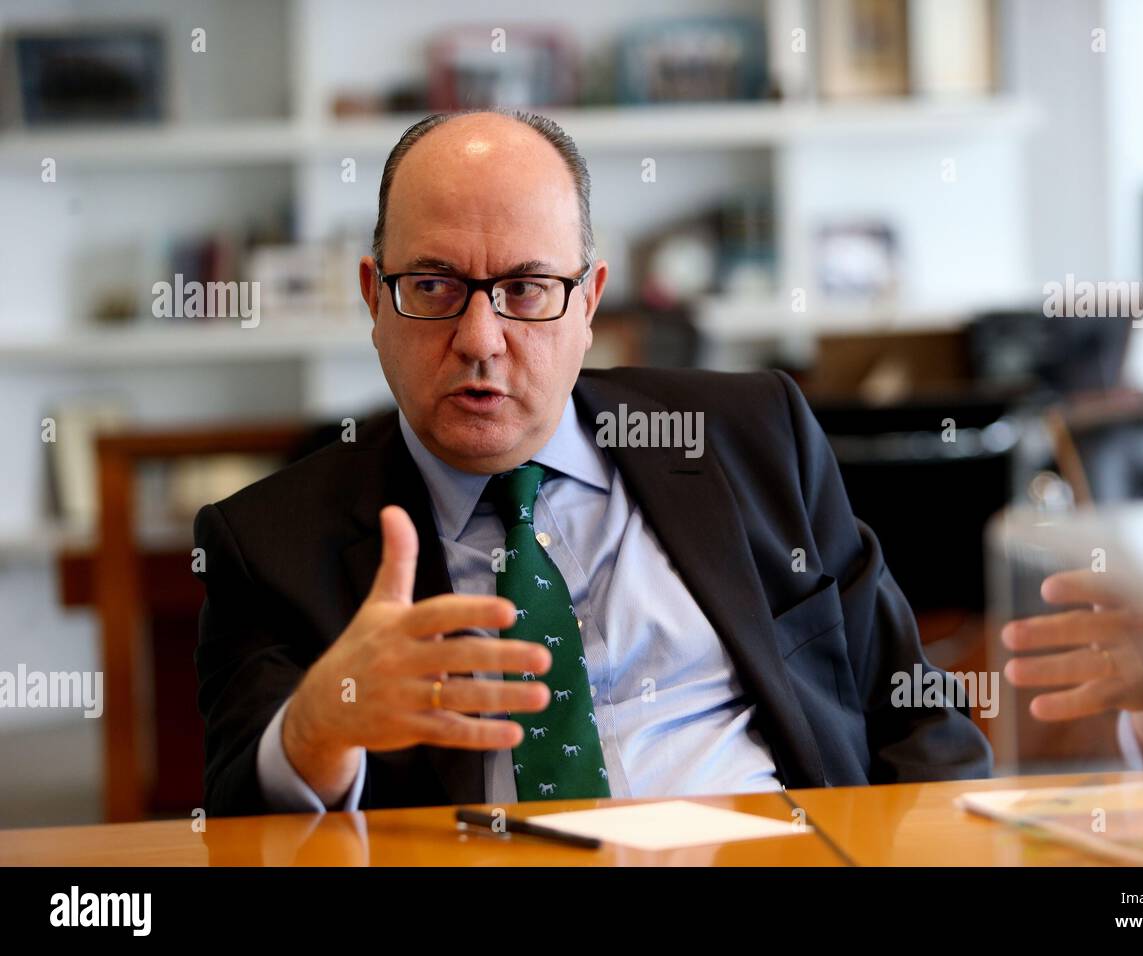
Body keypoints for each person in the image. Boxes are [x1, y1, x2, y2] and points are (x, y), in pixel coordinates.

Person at [194, 108, 993, 816]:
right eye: (433, 286)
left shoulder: (754, 435)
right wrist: (315, 730)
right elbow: (238, 807)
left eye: (530, 287)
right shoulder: (265, 545)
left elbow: (915, 714)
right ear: (374, 298)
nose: (479, 339)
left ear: (590, 301)